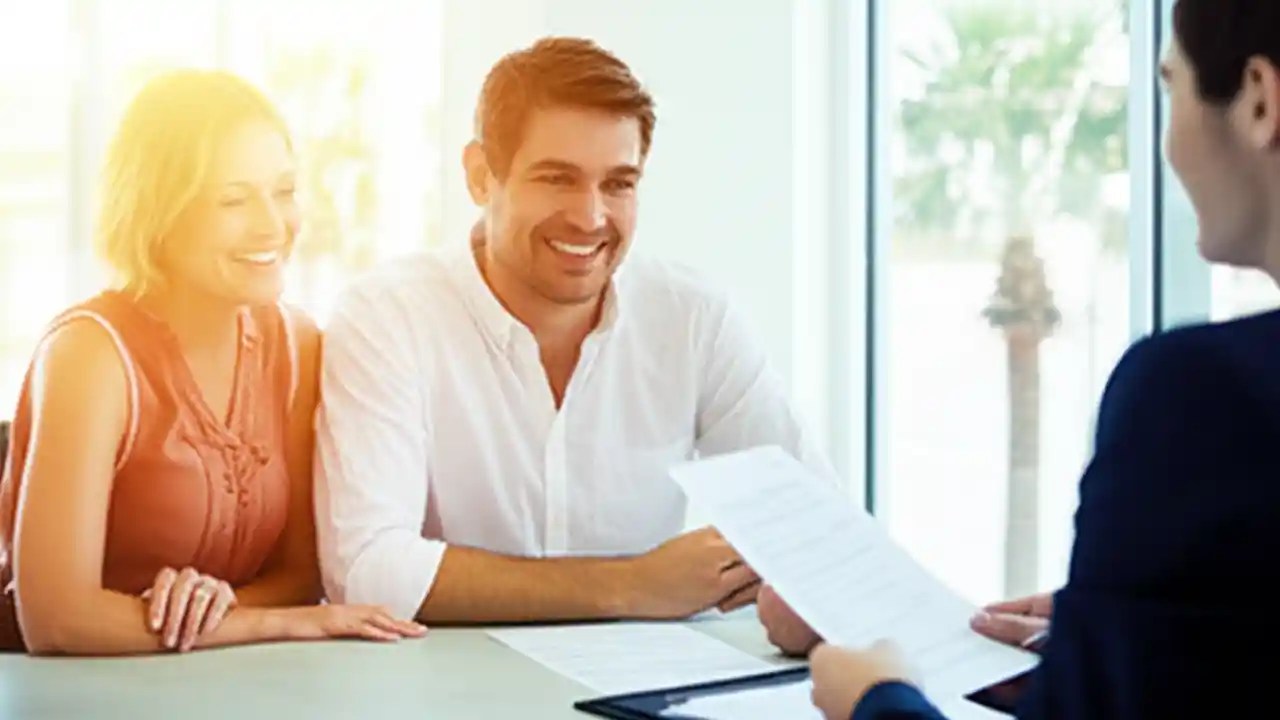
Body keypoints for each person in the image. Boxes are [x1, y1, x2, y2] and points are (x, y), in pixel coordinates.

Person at [795, 1, 1280, 716]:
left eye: (1168, 86)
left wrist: (876, 698)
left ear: (1260, 102)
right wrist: (1118, 642)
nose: (1166, 139)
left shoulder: (1200, 396)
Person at [314, 36, 835, 625]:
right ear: (482, 176)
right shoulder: (389, 315)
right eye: (558, 179)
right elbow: (367, 569)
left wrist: (776, 571)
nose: (590, 218)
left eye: (619, 184)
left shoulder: (693, 318)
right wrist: (633, 586)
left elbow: (812, 521)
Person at [0, 70, 426, 655]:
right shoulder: (91, 354)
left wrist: (210, 607)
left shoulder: (298, 345)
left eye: (283, 191)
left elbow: (300, 576)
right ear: (157, 212)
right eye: (233, 199)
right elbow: (57, 620)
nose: (273, 225)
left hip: (221, 686)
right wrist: (279, 623)